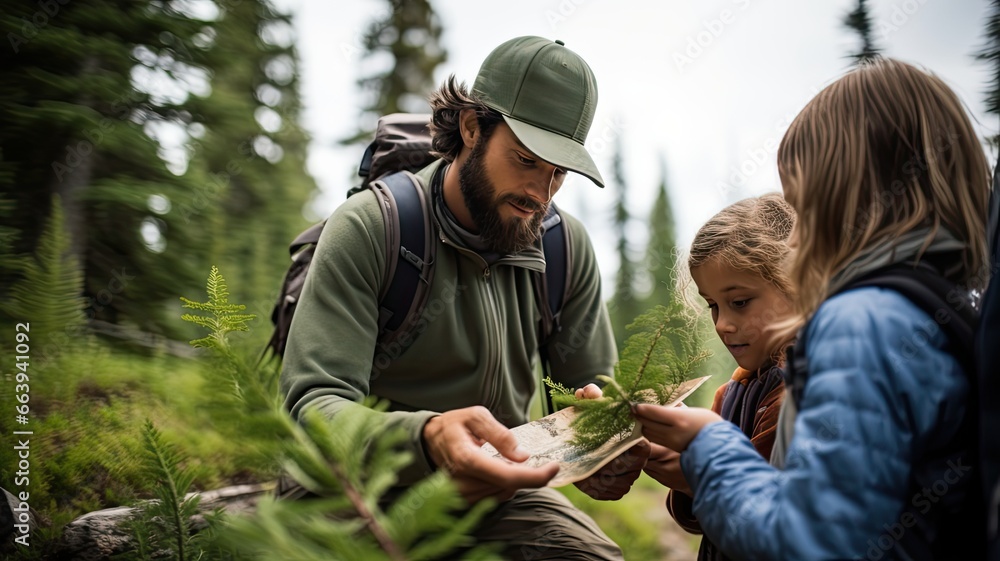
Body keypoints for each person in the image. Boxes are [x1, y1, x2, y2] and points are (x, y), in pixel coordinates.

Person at [280, 35, 648, 560]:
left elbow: (590, 396)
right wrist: (427, 438)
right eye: (525, 159)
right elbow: (313, 409)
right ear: (473, 128)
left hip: (496, 503)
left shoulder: (565, 248)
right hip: (352, 494)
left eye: (558, 173)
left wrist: (605, 449)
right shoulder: (372, 229)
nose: (539, 196)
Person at [634, 57, 989, 560]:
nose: (796, 236)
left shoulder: (862, 325)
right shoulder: (949, 304)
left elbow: (812, 542)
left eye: (804, 203)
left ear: (844, 198)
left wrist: (711, 450)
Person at [642, 193, 795, 561]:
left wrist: (690, 466)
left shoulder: (798, 399)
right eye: (712, 305)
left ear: (796, 285)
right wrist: (666, 451)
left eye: (739, 302)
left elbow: (760, 516)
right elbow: (697, 521)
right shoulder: (731, 394)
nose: (723, 324)